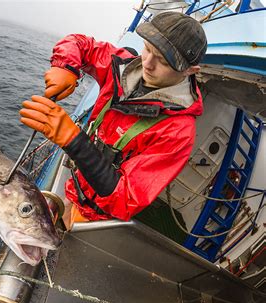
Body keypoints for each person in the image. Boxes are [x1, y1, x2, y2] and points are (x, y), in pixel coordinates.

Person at [19, 12, 208, 228]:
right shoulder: (120, 66)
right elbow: (80, 43)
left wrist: (73, 140)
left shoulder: (178, 132)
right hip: (72, 193)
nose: (147, 63)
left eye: (163, 61)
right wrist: (65, 67)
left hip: (96, 220)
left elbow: (126, 198)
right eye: (147, 49)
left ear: (190, 71)